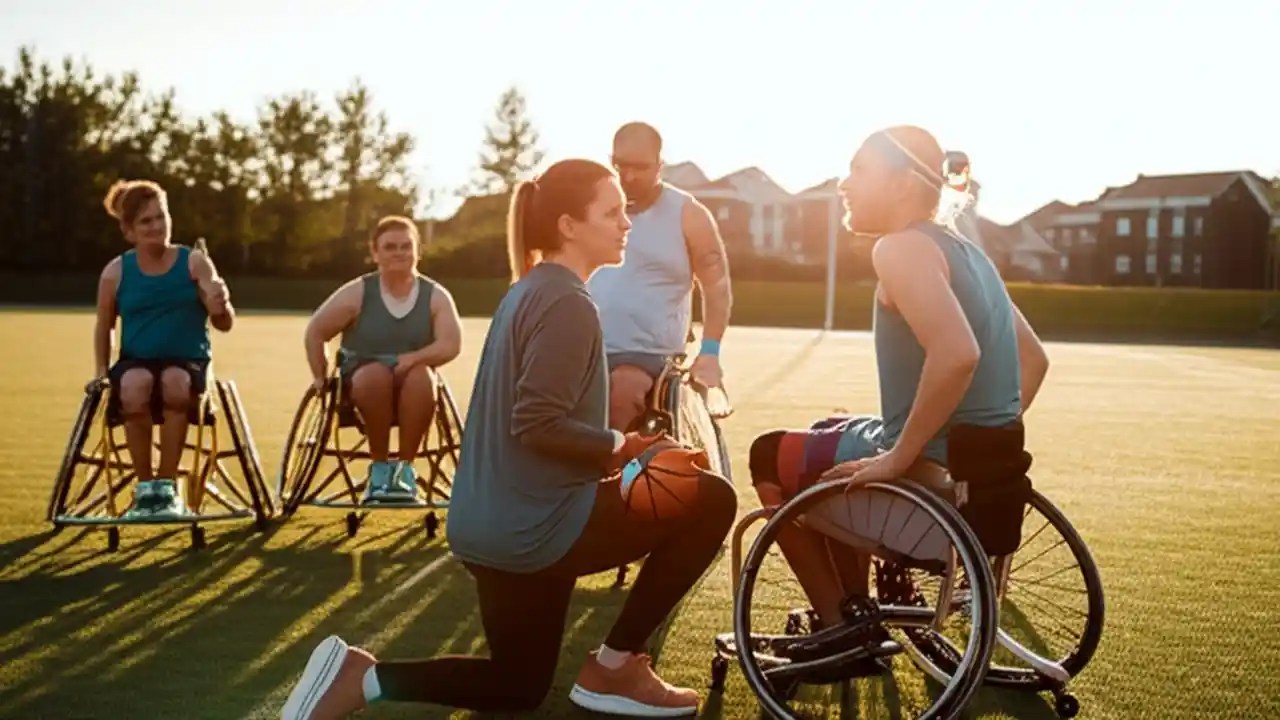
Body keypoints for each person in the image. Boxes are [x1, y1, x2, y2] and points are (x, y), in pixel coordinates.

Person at [280, 159, 738, 720]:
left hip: (489, 524)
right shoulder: (567, 302)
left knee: (518, 685)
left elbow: (532, 423)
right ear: (569, 225)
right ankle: (617, 665)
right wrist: (622, 446)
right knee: (712, 499)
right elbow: (537, 423)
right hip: (534, 527)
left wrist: (611, 452)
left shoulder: (531, 290)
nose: (627, 224)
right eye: (612, 211)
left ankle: (365, 678)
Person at [746, 126, 1051, 634]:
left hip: (928, 484)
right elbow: (1034, 361)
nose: (844, 184)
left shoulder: (899, 248)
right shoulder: (971, 255)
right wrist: (979, 445)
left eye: (859, 170)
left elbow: (956, 355)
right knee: (830, 427)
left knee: (767, 455)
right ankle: (854, 604)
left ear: (904, 183)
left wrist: (900, 457)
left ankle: (837, 624)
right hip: (975, 481)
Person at [92, 178, 234, 518]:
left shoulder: (194, 262)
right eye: (146, 221)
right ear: (129, 231)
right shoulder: (115, 272)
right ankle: (146, 489)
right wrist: (101, 372)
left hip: (188, 362)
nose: (157, 226)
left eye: (161, 216)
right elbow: (104, 326)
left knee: (174, 382)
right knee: (134, 385)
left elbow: (224, 323)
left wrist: (220, 304)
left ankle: (168, 486)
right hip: (136, 361)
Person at [303, 216, 463, 503]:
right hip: (363, 375)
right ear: (375, 253)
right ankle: (379, 468)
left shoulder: (435, 295)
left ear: (417, 251)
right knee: (374, 376)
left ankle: (405, 470)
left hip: (412, 374)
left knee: (422, 378)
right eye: (390, 247)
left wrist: (413, 358)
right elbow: (316, 331)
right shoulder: (359, 292)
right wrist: (319, 375)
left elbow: (450, 344)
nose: (399, 253)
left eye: (406, 246)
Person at [588, 122, 733, 433]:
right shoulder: (589, 208)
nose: (629, 176)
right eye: (620, 165)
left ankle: (617, 480)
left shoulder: (687, 213)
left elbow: (716, 284)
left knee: (622, 393)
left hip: (648, 355)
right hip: (584, 349)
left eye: (640, 167)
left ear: (660, 165)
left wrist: (709, 352)